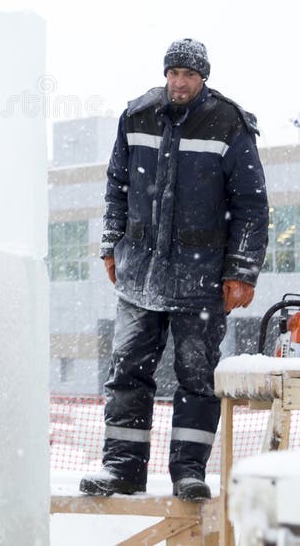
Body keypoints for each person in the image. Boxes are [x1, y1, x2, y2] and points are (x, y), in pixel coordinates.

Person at [80, 38, 269, 502]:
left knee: (196, 377)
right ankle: (122, 469)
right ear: (165, 75)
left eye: (189, 74)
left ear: (203, 77)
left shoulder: (228, 123)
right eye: (173, 73)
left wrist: (241, 271)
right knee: (127, 372)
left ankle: (188, 472)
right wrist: (111, 245)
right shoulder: (138, 115)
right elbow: (116, 187)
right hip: (139, 276)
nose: (180, 82)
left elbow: (251, 205)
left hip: (200, 280)